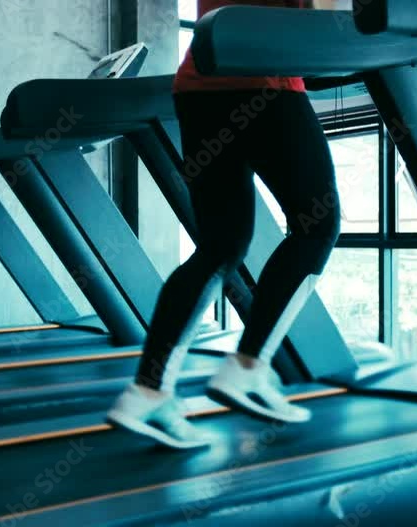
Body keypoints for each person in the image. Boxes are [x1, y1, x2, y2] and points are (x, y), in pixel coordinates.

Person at [106, 0, 346, 449]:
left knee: (221, 244)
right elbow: (329, 12)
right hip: (266, 78)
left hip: (200, 85)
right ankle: (249, 368)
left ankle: (147, 390)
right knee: (317, 224)